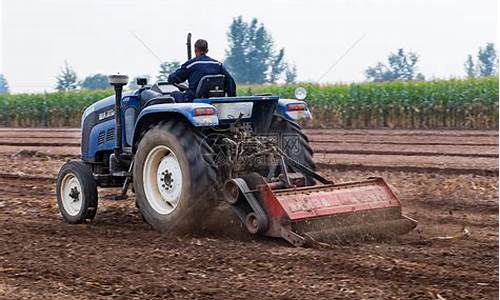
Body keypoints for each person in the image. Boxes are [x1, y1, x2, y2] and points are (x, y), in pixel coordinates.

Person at [167, 39, 236, 102]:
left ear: (195, 50)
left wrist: (171, 78)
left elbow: (173, 78)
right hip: (215, 100)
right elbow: (230, 83)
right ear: (207, 50)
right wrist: (231, 100)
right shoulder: (218, 65)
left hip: (193, 99)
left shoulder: (191, 64)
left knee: (174, 94)